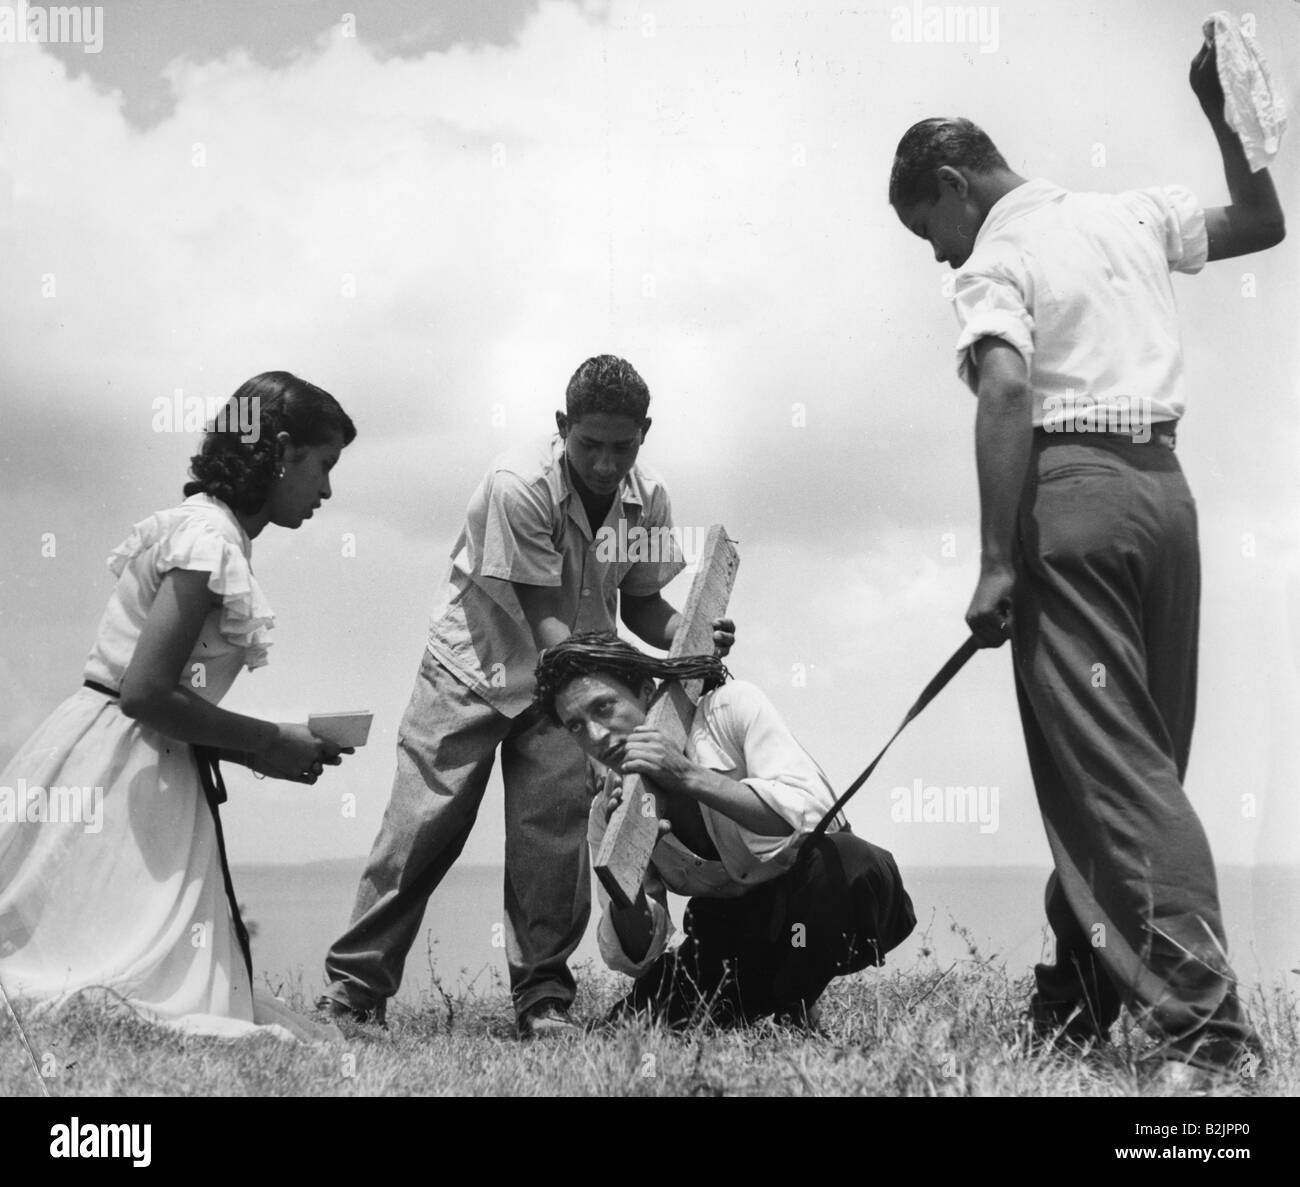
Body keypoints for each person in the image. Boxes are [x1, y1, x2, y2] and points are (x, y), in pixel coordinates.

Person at [887, 41, 1284, 1081]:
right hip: (1166, 501)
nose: (937, 257)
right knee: (1130, 764)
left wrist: (990, 559)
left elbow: (1007, 391)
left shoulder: (991, 262)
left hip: (1069, 507)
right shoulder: (1128, 214)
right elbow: (1262, 221)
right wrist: (1229, 123)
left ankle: (1204, 1033)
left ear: (950, 185)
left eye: (928, 233)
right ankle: (1076, 990)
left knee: (1115, 776)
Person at [319, 355, 733, 1037]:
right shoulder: (518, 484)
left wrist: (692, 646)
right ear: (562, 426)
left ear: (644, 434)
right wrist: (620, 701)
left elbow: (644, 602)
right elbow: (549, 626)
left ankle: (543, 1000)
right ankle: (352, 993)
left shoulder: (649, 498)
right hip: (476, 668)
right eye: (589, 444)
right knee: (421, 828)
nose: (604, 463)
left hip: (574, 677)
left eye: (621, 447)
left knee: (553, 843)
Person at [0, 371, 356, 1042]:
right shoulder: (207, 543)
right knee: (145, 990)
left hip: (124, 755)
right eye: (323, 465)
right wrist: (264, 741)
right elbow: (145, 693)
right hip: (120, 765)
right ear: (281, 451)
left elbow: (161, 700)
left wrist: (273, 747)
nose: (327, 491)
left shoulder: (210, 534)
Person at [533, 632, 916, 1028]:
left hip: (825, 899)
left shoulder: (730, 710)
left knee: (849, 862)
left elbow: (813, 818)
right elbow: (637, 954)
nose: (596, 736)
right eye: (576, 726)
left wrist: (685, 775)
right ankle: (759, 1001)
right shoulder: (608, 813)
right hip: (736, 932)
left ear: (646, 692)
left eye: (604, 707)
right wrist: (626, 869)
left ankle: (795, 1005)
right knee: (636, 1023)